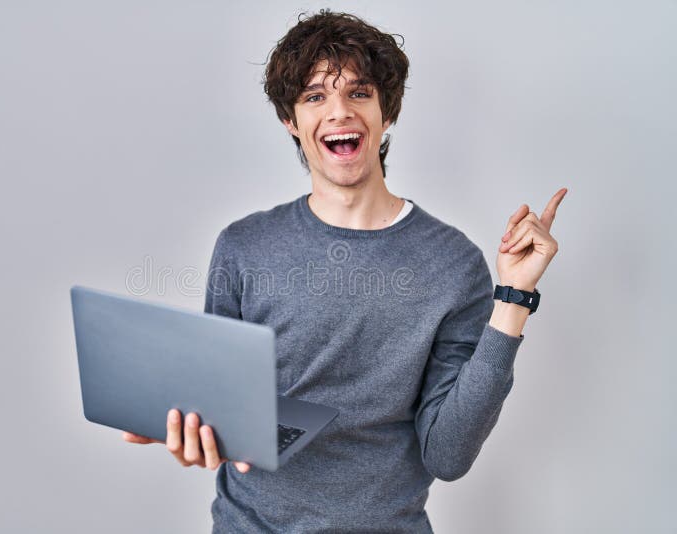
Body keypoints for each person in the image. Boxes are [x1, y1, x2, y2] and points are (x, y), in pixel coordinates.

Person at [123, 9, 566, 532]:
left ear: (386, 112)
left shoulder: (453, 263)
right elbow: (222, 409)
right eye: (315, 97)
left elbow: (448, 455)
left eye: (358, 92)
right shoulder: (244, 247)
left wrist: (513, 298)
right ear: (290, 121)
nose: (339, 112)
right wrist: (187, 428)